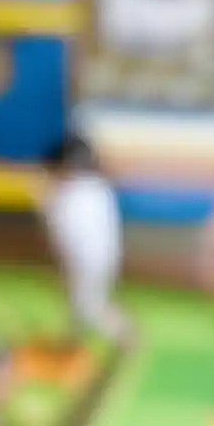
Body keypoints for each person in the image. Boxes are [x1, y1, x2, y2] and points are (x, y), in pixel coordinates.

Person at [41, 135, 129, 343]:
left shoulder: (73, 193)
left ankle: (126, 337)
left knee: (89, 305)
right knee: (77, 302)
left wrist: (45, 198)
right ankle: (74, 342)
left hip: (88, 258)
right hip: (95, 255)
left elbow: (59, 224)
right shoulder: (96, 187)